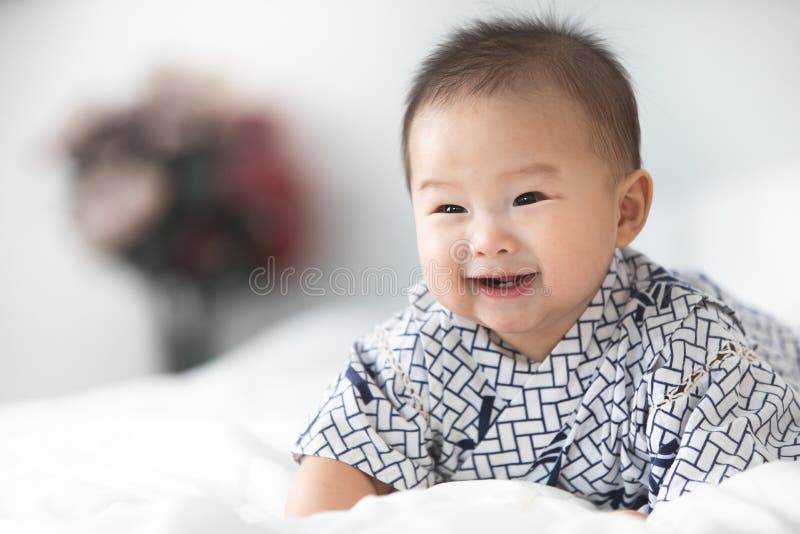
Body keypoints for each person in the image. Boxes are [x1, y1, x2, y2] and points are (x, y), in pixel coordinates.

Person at [284, 15, 800, 518]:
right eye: (449, 208)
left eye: (527, 197)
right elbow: (338, 463)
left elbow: (732, 505)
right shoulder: (417, 352)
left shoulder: (692, 351)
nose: (486, 241)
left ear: (624, 211)